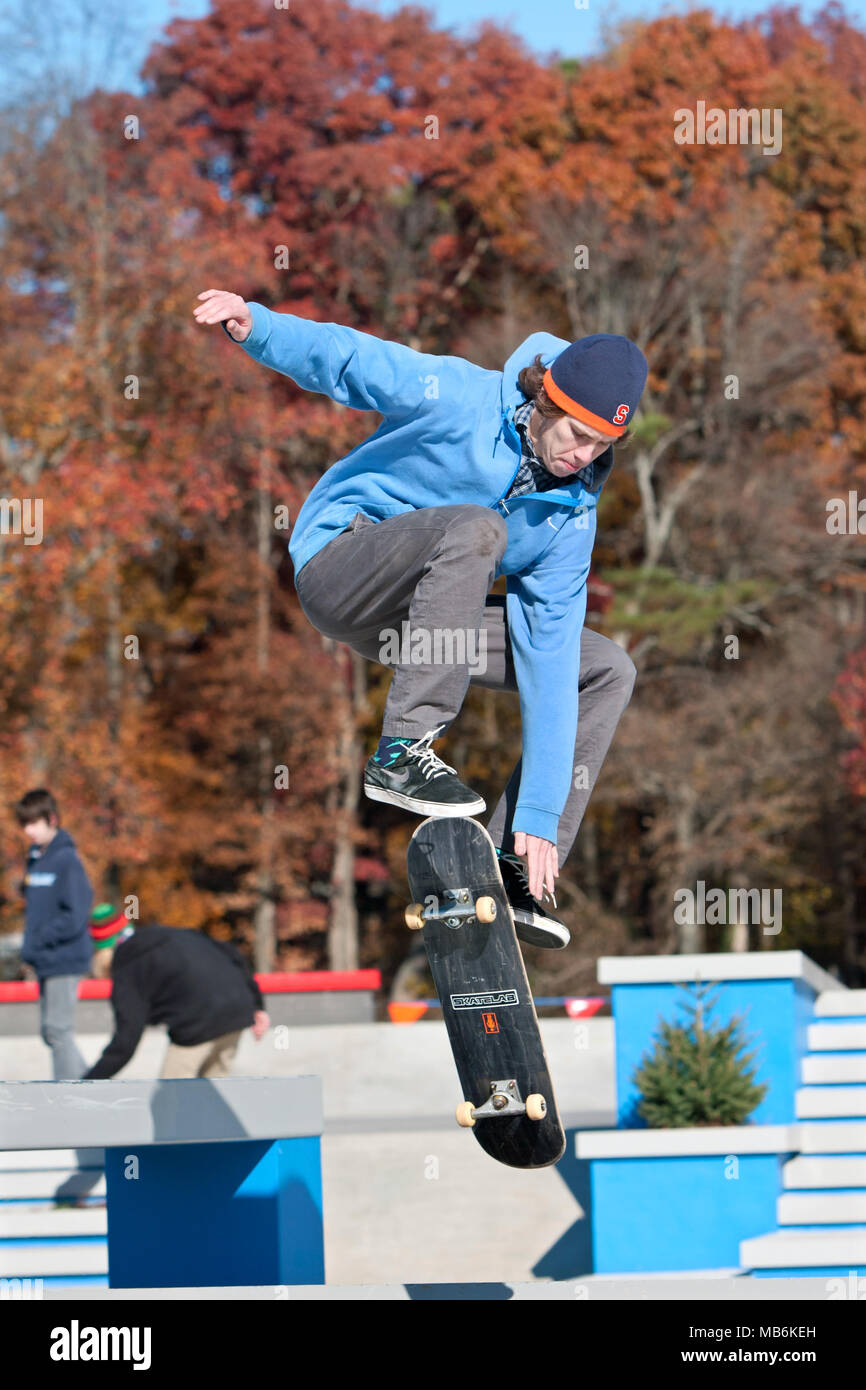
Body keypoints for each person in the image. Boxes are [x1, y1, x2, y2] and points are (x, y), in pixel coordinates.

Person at [194, 290, 646, 949]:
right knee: (478, 527)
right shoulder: (459, 395)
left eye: (602, 445)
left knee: (604, 667)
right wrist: (258, 327)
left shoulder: (571, 517)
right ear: (547, 400)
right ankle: (403, 747)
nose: (583, 456)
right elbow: (351, 360)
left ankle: (511, 864)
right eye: (577, 435)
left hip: (432, 623)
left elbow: (547, 654)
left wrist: (543, 813)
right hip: (343, 567)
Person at [82, 905, 270, 1080]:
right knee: (212, 1096)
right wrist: (258, 1006)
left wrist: (88, 1082)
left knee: (172, 1099)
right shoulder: (173, 933)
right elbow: (233, 954)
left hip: (198, 1025)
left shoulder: (128, 963)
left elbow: (125, 1043)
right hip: (238, 1012)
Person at [15, 788, 92, 1079]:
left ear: (52, 819)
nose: (28, 830)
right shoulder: (36, 859)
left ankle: (69, 1094)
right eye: (25, 824)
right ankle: (91, 1083)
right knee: (50, 1033)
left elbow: (76, 914)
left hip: (65, 956)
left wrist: (42, 937)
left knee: (58, 1030)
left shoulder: (67, 860)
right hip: (44, 958)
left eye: (34, 823)